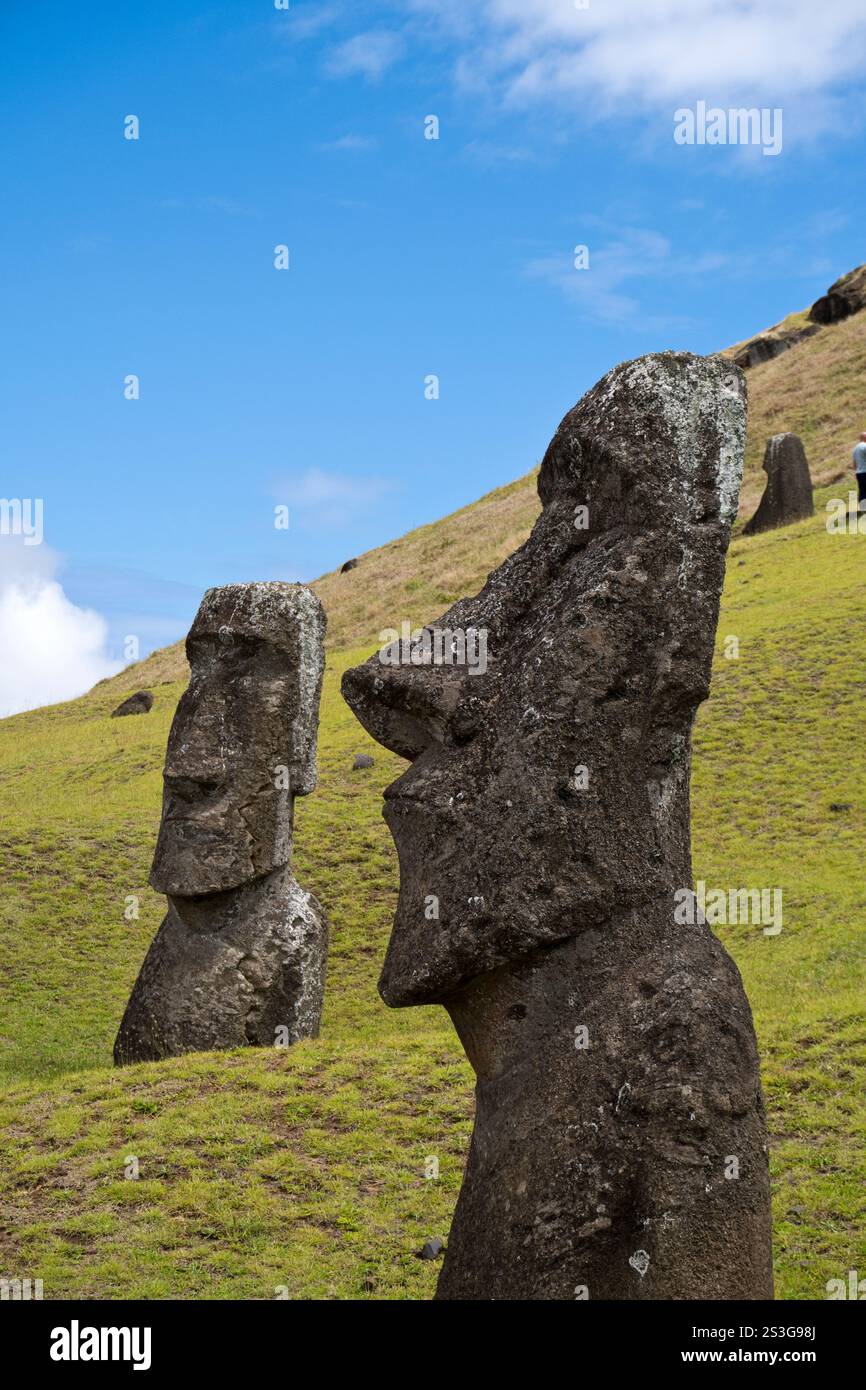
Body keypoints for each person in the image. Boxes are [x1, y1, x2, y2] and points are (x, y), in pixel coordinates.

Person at [854, 432, 866, 510]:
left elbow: (854, 463)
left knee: (862, 490)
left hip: (858, 473)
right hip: (865, 471)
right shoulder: (864, 446)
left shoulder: (855, 449)